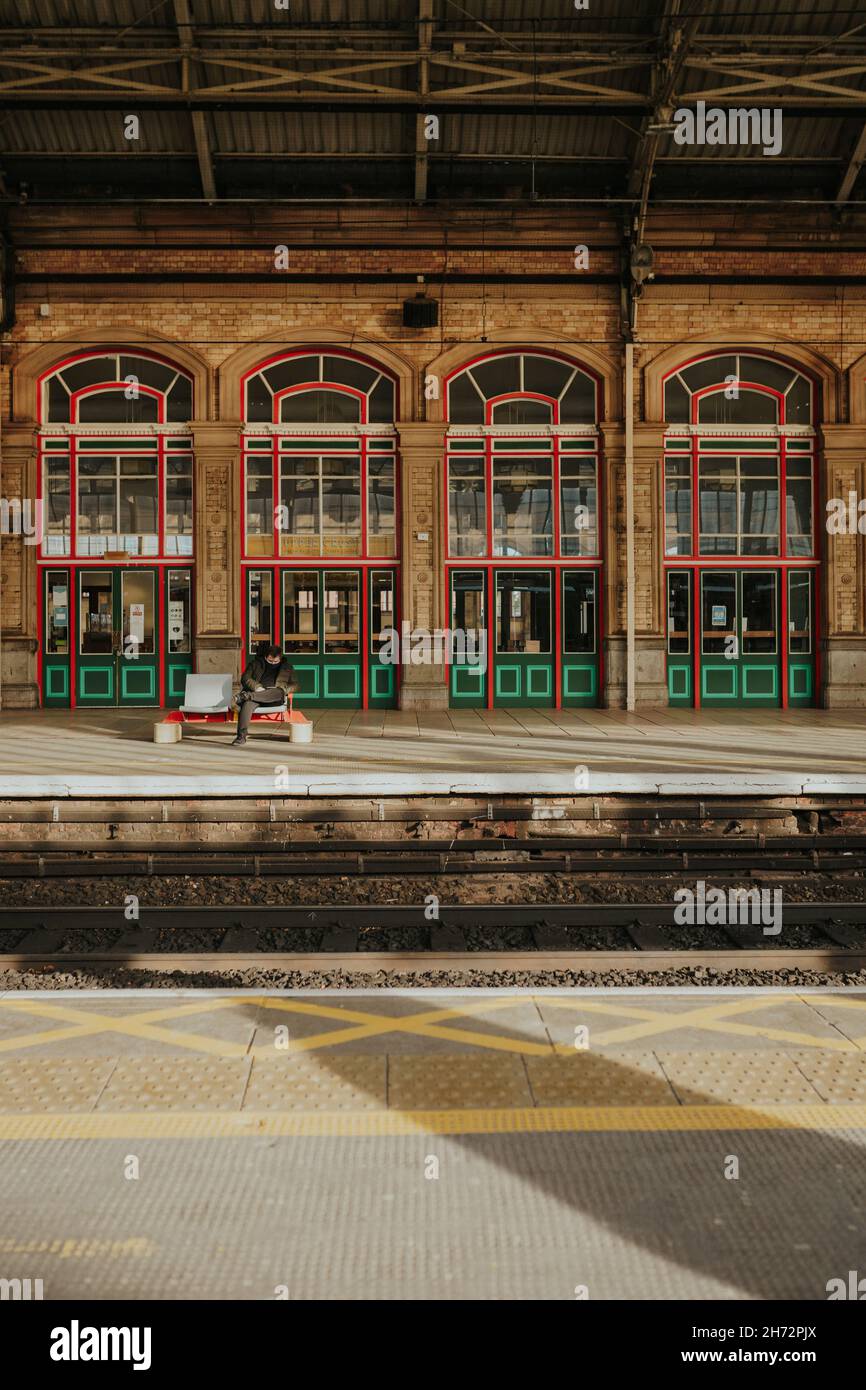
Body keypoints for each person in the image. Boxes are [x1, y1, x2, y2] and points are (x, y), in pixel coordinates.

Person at [231, 642, 299, 747]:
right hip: (256, 694)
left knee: (279, 692)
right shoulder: (255, 664)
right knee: (247, 705)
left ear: (280, 659)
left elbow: (295, 685)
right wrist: (257, 687)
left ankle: (245, 696)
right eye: (270, 661)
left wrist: (285, 689)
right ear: (266, 656)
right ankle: (241, 737)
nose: (272, 663)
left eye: (275, 662)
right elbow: (245, 678)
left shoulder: (287, 667)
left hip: (274, 698)